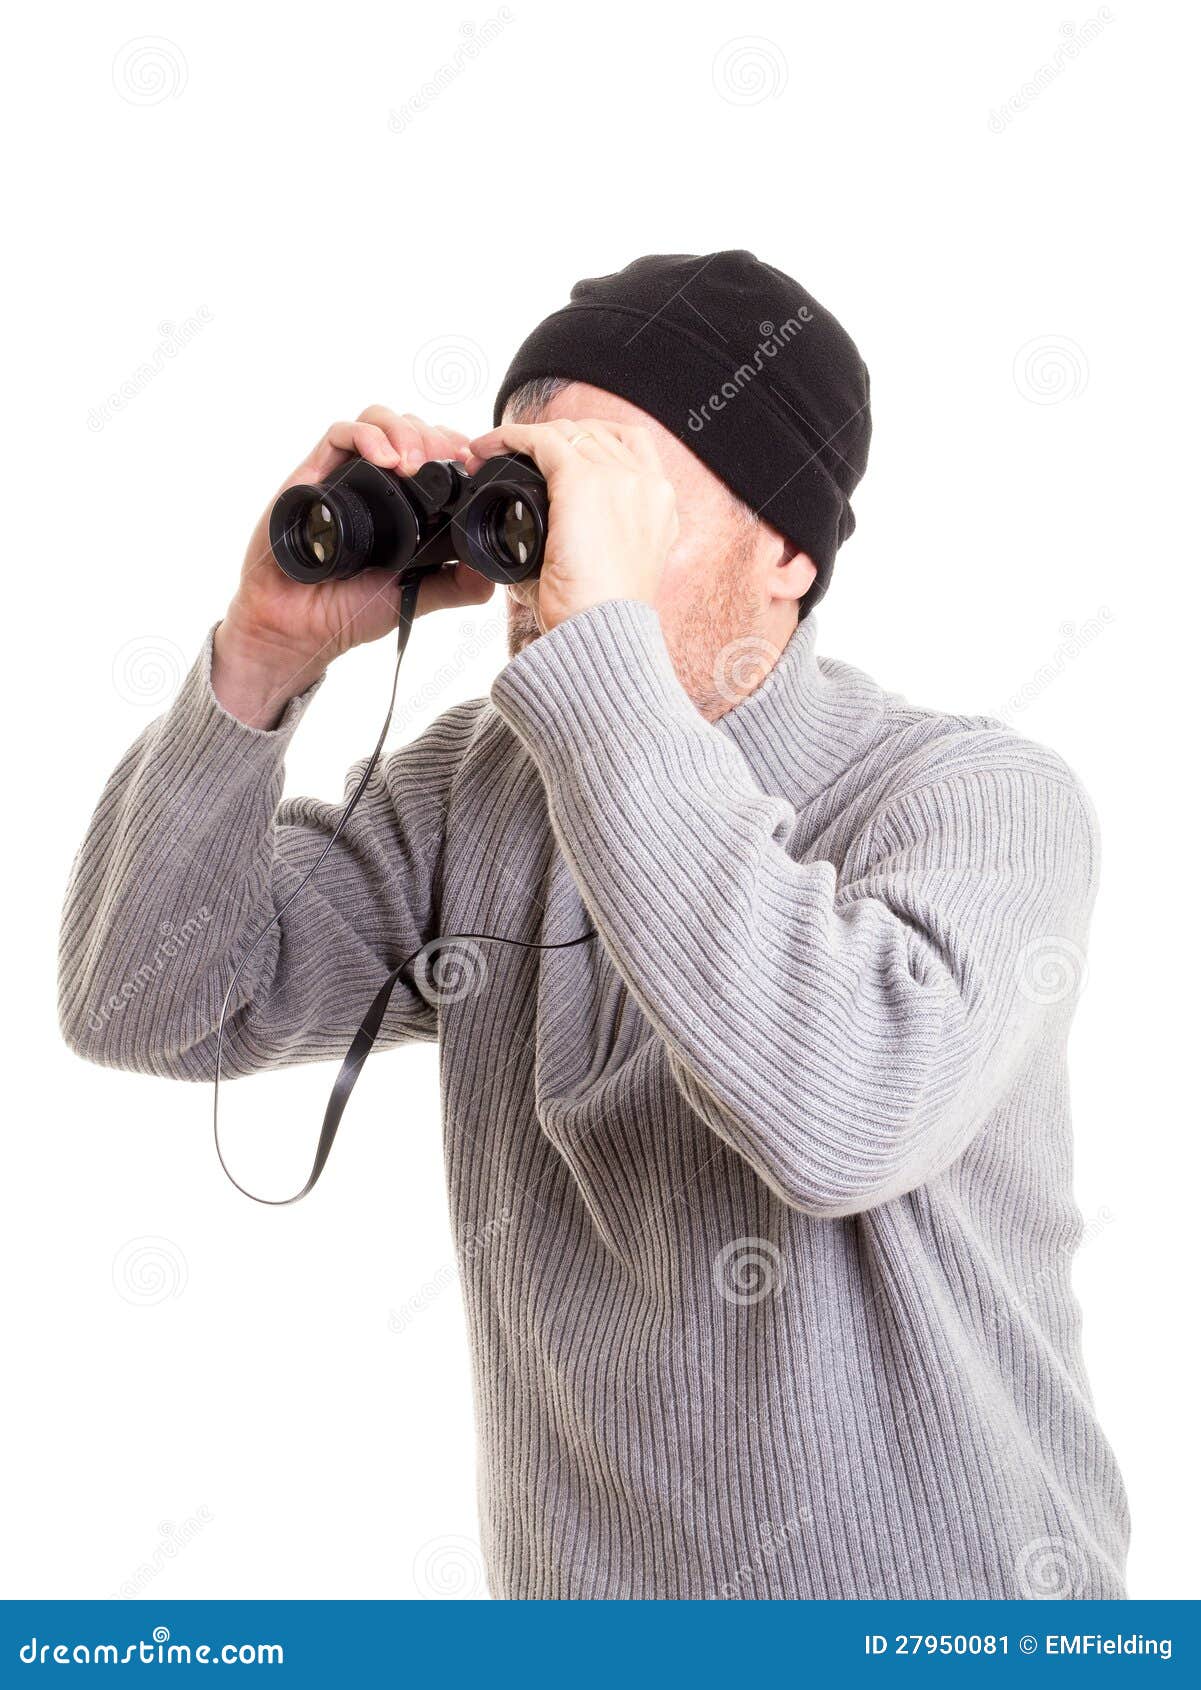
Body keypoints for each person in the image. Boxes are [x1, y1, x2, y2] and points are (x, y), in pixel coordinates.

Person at [59, 251, 1128, 1600]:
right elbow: (149, 1000)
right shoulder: (484, 790)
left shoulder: (975, 800)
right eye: (532, 490)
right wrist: (262, 659)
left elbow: (841, 1112)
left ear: (787, 554)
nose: (549, 550)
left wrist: (598, 678)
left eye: (608, 498)